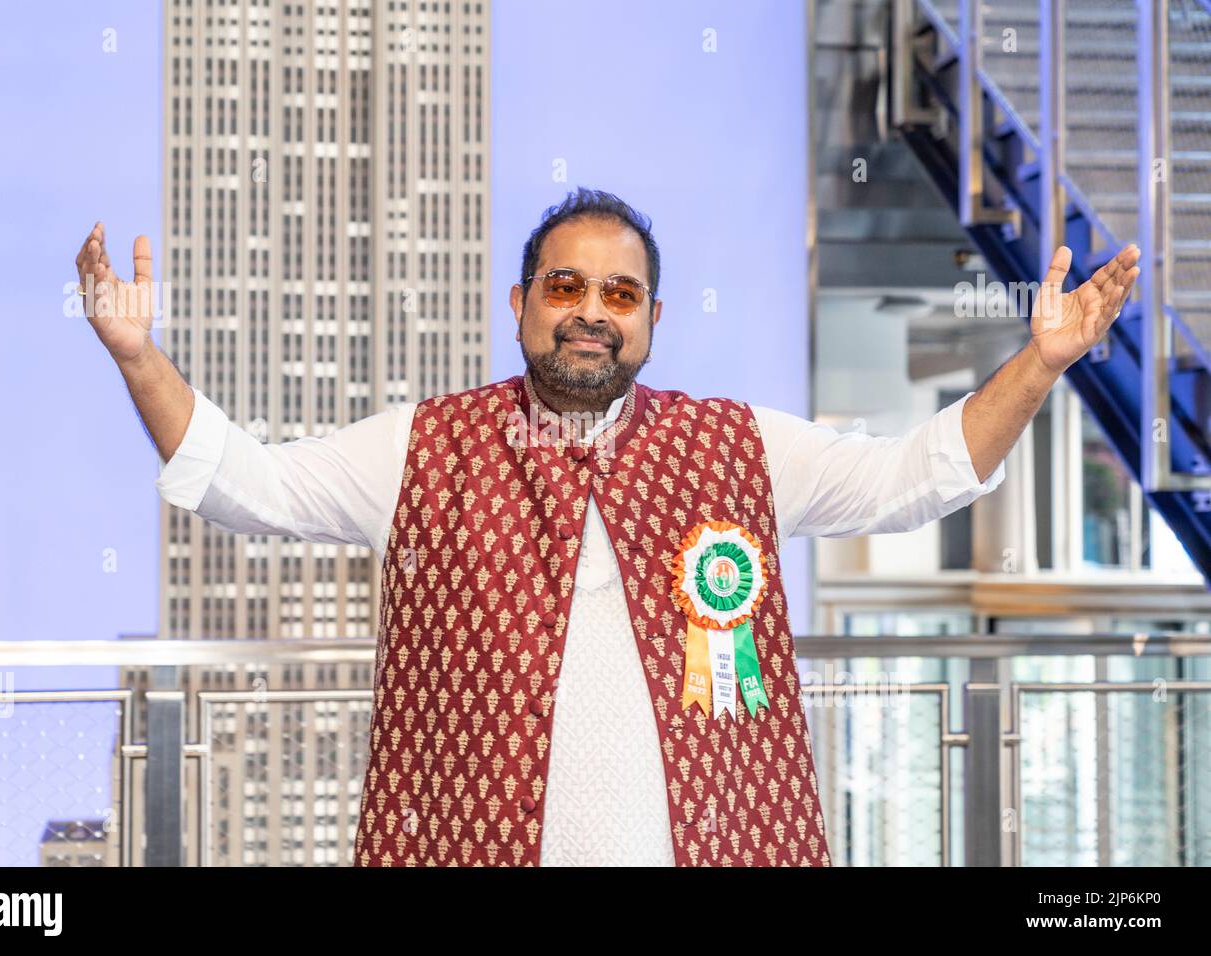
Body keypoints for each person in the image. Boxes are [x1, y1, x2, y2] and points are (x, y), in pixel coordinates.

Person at [74, 187, 1139, 866]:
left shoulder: (739, 446)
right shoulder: (422, 446)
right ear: (521, 301)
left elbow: (921, 476)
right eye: (566, 285)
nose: (593, 308)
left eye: (620, 292)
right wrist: (136, 355)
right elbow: (245, 483)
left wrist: (1040, 361)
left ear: (652, 319)